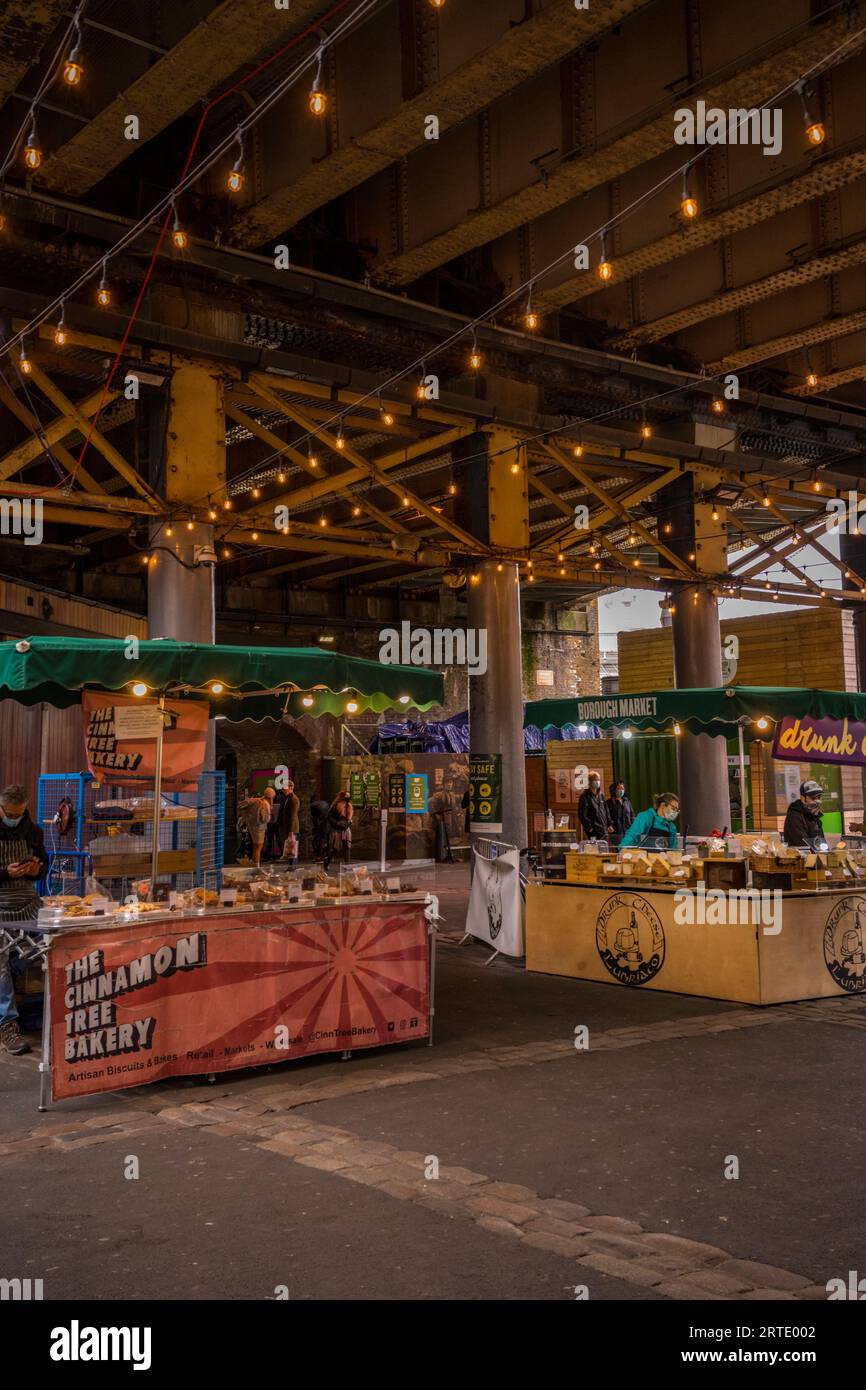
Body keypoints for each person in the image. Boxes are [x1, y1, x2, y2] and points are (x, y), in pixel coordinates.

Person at [0, 783, 48, 1055]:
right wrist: (6, 873)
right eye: (9, 813)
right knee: (0, 965)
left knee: (51, 948)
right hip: (0, 907)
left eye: (19, 813)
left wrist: (33, 870)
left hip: (28, 905)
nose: (14, 818)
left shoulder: (34, 832)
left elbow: (42, 870)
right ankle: (7, 1025)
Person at [783, 779, 826, 848]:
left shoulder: (814, 816)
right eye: (813, 798)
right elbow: (803, 844)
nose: (817, 801)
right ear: (803, 798)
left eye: (819, 797)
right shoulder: (794, 816)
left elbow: (820, 842)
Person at [238, 787, 273, 867]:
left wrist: (246, 816)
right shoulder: (264, 804)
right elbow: (265, 819)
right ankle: (257, 867)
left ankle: (254, 865)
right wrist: (270, 817)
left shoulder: (256, 801)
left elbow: (241, 805)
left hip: (252, 827)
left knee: (255, 847)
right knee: (258, 848)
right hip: (260, 828)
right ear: (271, 796)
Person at [323, 790, 353, 870]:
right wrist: (336, 823)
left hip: (346, 828)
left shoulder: (349, 806)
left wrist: (349, 823)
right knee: (336, 848)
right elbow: (329, 816)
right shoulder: (336, 805)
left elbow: (349, 818)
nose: (347, 798)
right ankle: (327, 861)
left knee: (347, 846)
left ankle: (347, 865)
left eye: (348, 796)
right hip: (337, 829)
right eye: (346, 796)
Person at [577, 772, 612, 841]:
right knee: (595, 849)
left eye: (598, 780)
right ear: (589, 782)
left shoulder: (601, 795)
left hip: (604, 828)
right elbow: (582, 814)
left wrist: (609, 824)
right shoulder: (584, 796)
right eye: (595, 780)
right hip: (593, 830)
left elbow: (606, 811)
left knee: (604, 849)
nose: (597, 782)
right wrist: (589, 827)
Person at [277, 780, 301, 868]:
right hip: (289, 827)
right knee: (290, 847)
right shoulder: (288, 798)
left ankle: (293, 866)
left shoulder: (294, 799)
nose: (283, 789)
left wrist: (291, 831)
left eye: (284, 787)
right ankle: (291, 866)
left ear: (291, 787)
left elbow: (293, 816)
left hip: (293, 828)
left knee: (293, 848)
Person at [309, 796, 330, 861]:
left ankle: (319, 856)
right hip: (327, 823)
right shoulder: (325, 803)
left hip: (321, 823)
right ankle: (326, 856)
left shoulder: (313, 805)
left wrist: (316, 826)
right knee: (324, 839)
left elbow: (314, 818)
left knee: (318, 840)